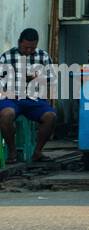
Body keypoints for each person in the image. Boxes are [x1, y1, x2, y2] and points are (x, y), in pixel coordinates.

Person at [0, 28, 56, 163]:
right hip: (11, 98)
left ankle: (37, 152)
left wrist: (38, 78)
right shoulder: (7, 56)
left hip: (34, 99)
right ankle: (12, 152)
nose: (29, 51)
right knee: (6, 114)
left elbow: (52, 77)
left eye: (32, 48)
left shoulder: (42, 56)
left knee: (51, 116)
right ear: (19, 43)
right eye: (26, 47)